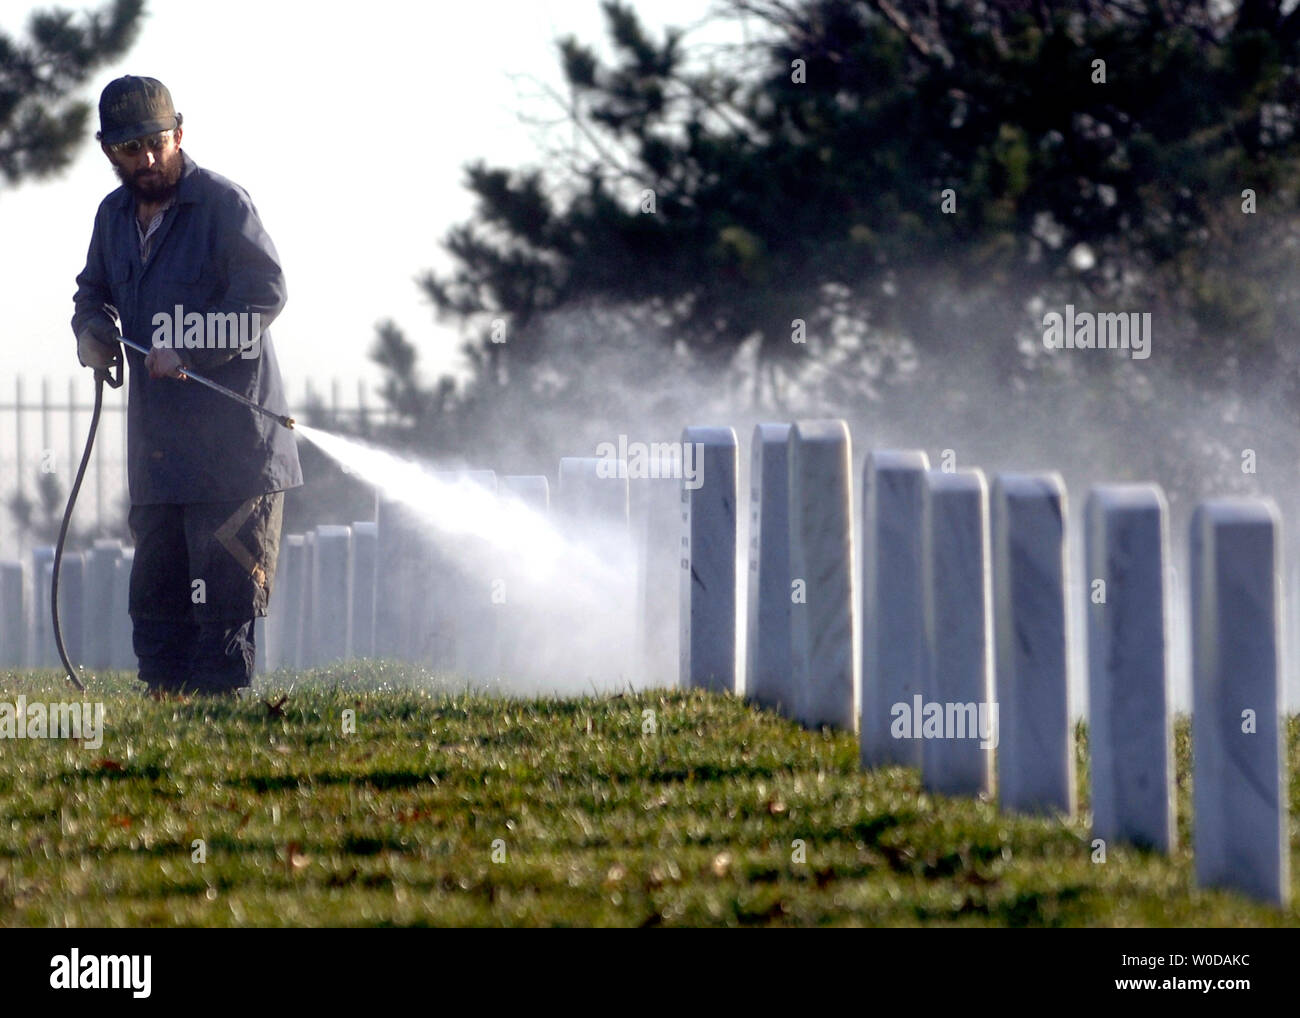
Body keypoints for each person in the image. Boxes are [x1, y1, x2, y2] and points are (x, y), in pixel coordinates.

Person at [71, 75, 301, 697]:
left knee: (223, 609)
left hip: (234, 454)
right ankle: (164, 724)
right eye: (128, 150)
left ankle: (220, 730)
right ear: (107, 151)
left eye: (155, 144)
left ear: (180, 134)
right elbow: (92, 293)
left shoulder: (224, 206)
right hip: (160, 453)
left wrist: (192, 348)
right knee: (157, 598)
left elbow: (265, 294)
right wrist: (91, 330)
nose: (145, 161)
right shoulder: (112, 217)